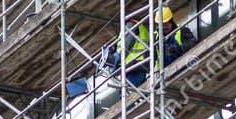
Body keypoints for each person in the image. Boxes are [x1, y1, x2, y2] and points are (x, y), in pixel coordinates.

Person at [66, 8, 194, 99]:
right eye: (161, 24)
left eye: (166, 23)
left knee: (132, 96)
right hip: (160, 73)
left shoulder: (181, 31)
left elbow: (193, 42)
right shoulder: (155, 36)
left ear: (171, 21)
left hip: (177, 67)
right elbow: (150, 55)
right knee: (131, 96)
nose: (164, 26)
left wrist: (178, 49)